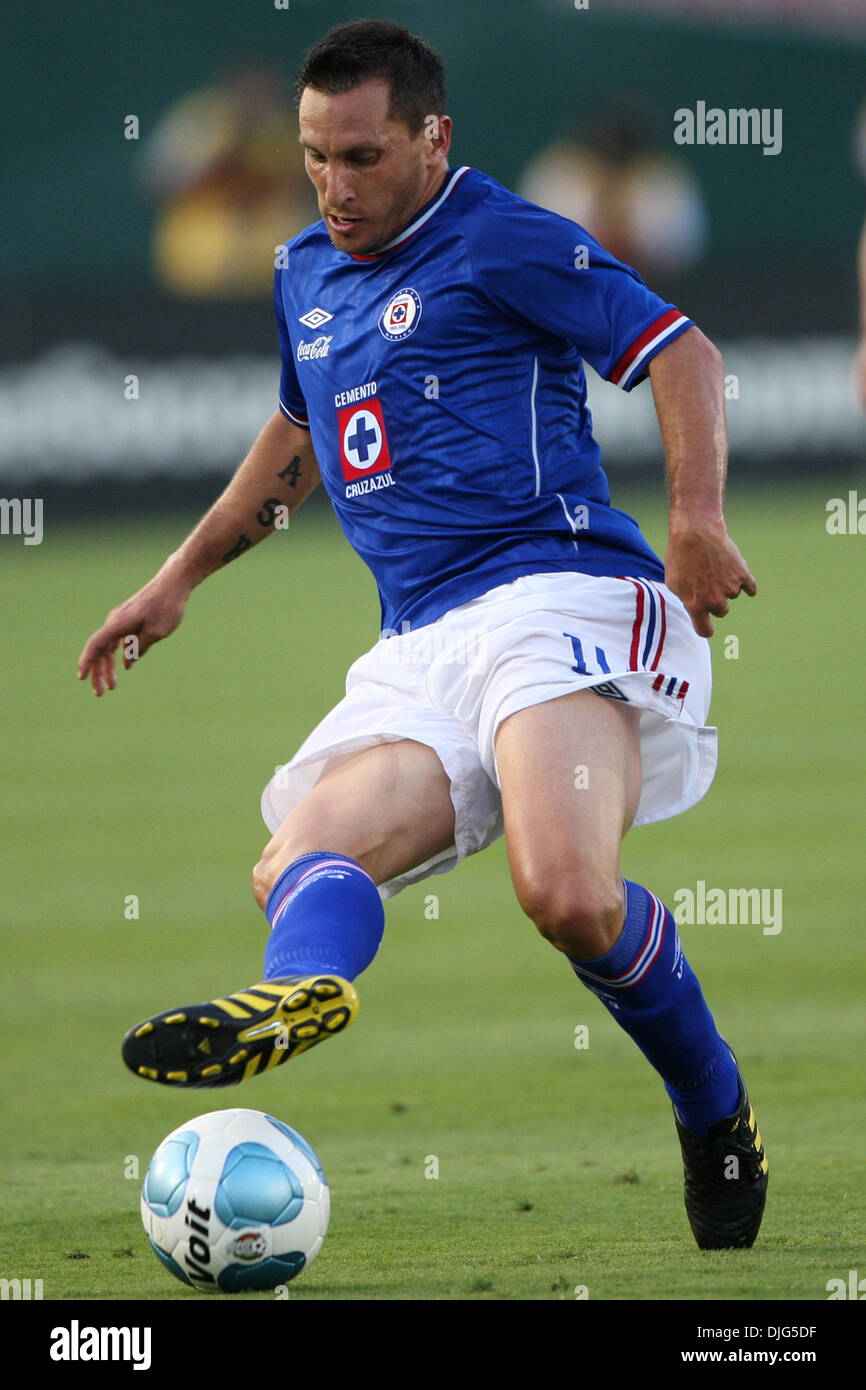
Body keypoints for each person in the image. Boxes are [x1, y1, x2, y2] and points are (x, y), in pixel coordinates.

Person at [78, 19, 766, 1250]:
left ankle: (713, 1109)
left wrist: (696, 520)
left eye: (361, 156)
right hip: (416, 647)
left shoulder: (499, 236)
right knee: (294, 861)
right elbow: (295, 441)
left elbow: (679, 351)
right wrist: (175, 578)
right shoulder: (302, 271)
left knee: (562, 894)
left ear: (430, 140)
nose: (334, 187)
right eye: (314, 158)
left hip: (553, 597)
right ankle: (303, 991)